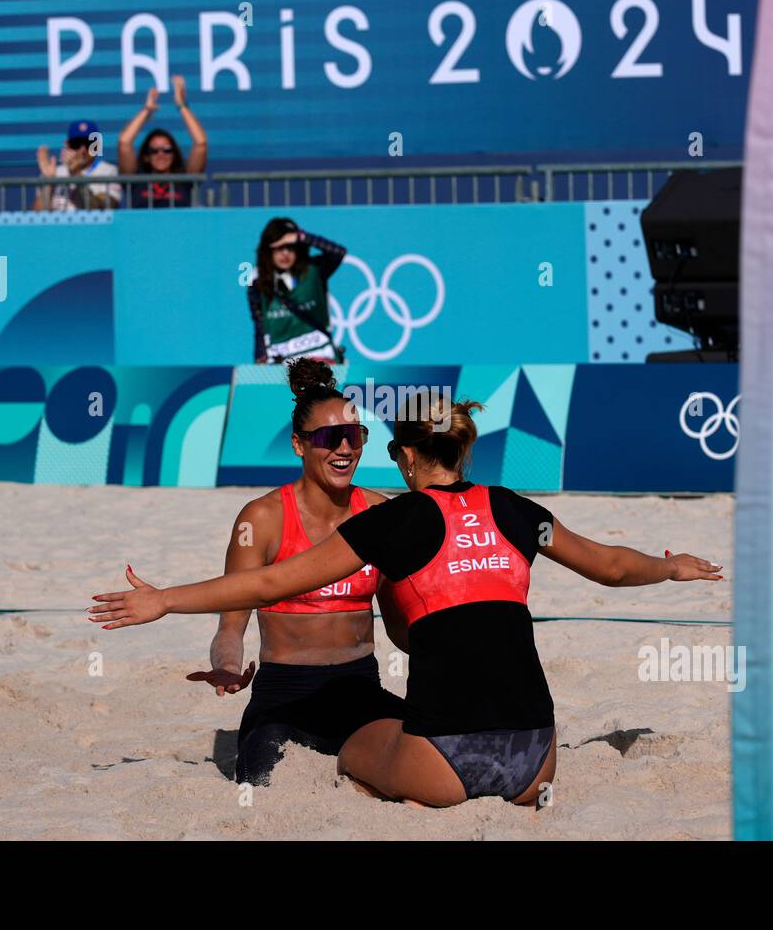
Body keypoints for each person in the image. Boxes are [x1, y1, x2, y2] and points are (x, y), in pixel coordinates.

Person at [88, 396, 723, 806]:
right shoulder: (516, 508)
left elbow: (268, 584)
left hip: (441, 765)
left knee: (343, 754)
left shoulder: (393, 520)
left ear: (408, 456)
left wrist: (166, 600)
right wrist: (669, 568)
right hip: (539, 759)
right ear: (465, 450)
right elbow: (611, 567)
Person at [185, 358, 403, 784]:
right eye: (329, 437)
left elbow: (404, 621)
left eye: (354, 435)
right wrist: (228, 667)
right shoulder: (262, 518)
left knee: (439, 755)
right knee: (261, 783)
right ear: (299, 445)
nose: (344, 449)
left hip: (360, 688)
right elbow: (230, 627)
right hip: (284, 696)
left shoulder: (380, 513)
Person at [248, 218, 347, 364]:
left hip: (320, 356)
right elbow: (260, 325)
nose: (285, 253)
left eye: (290, 247)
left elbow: (338, 253)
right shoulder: (258, 283)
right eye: (279, 248)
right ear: (268, 250)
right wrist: (260, 358)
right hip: (281, 363)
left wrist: (302, 236)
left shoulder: (314, 270)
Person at [117, 75, 208, 209]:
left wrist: (182, 105)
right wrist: (147, 110)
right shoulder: (136, 180)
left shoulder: (183, 180)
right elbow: (124, 143)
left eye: (167, 150)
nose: (161, 154)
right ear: (146, 156)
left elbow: (201, 143)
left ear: (174, 154)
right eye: (154, 151)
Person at [32, 120, 122, 211]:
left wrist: (76, 175)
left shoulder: (109, 171)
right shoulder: (54, 172)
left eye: (89, 144)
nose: (82, 150)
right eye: (76, 144)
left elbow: (101, 210)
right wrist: (49, 182)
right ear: (67, 145)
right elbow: (37, 217)